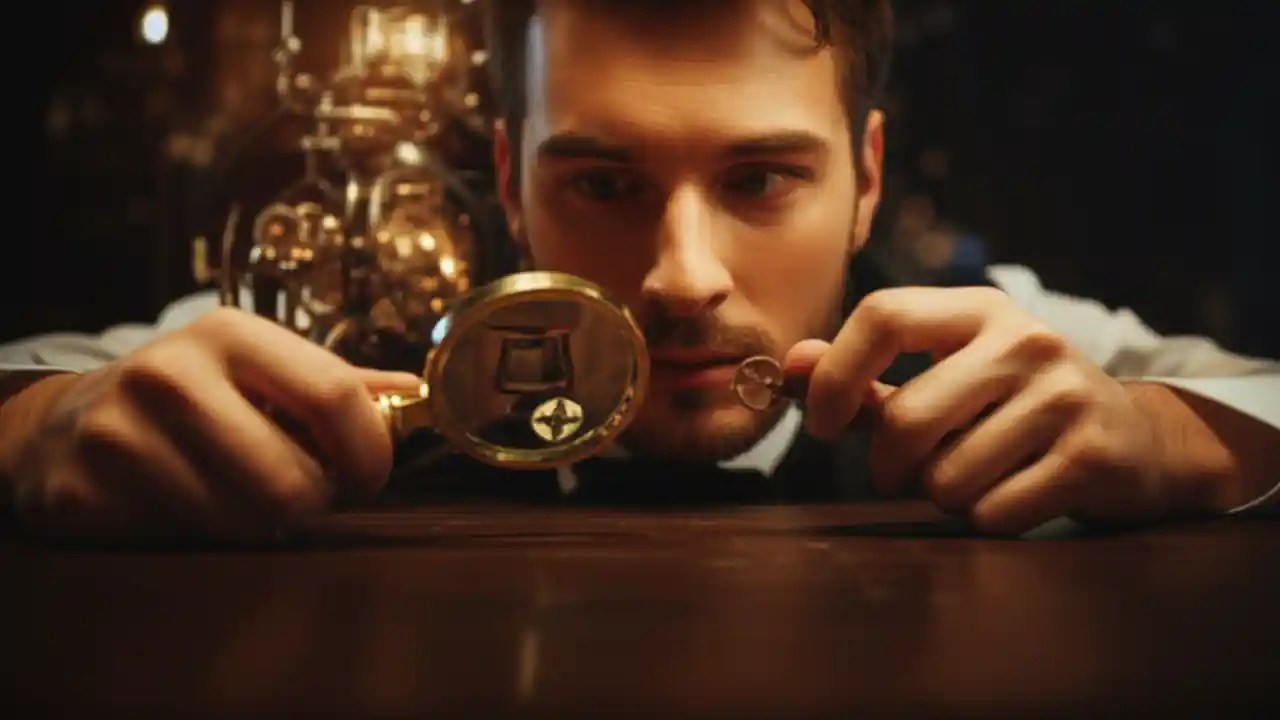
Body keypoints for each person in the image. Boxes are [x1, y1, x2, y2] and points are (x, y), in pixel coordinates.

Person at [1, 0, 1276, 542]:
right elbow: (37, 388)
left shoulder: (988, 342)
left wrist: (1172, 442)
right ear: (507, 182)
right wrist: (41, 429)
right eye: (602, 185)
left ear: (866, 179)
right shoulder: (356, 339)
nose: (680, 281)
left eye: (760, 179)